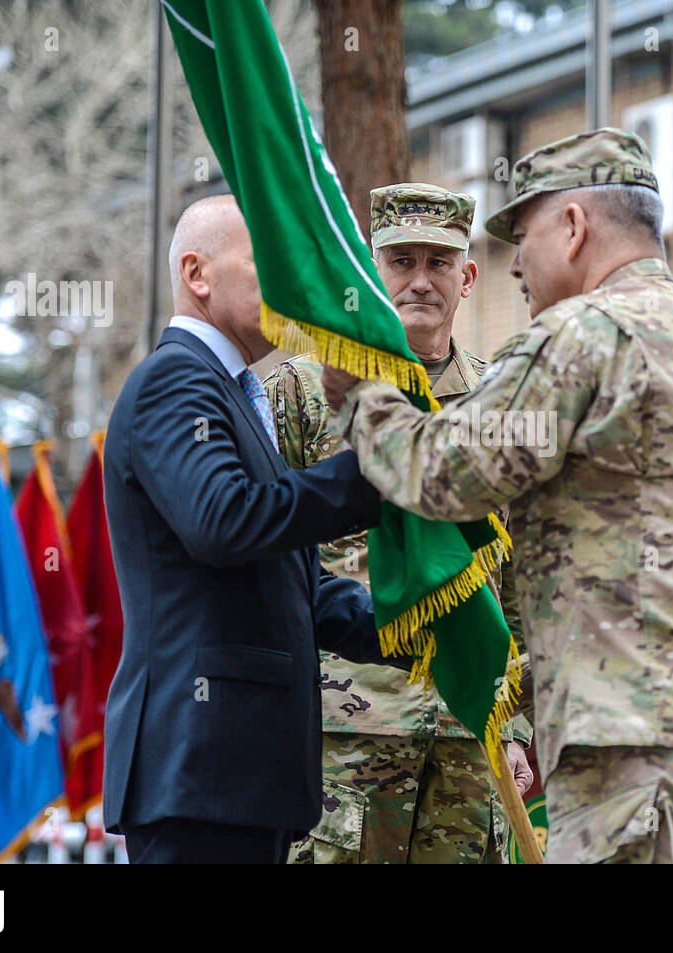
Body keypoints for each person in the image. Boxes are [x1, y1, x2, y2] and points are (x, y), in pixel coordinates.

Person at [321, 128, 673, 864]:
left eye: (522, 235)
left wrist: (362, 398)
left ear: (575, 226)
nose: (515, 263)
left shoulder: (584, 333)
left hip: (642, 733)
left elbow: (445, 474)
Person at [102, 195, 399, 863]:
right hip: (200, 771)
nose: (289, 282)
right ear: (197, 274)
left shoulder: (233, 392)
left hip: (238, 779)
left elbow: (298, 587)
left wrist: (410, 626)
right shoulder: (175, 380)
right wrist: (371, 474)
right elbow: (222, 520)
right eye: (265, 260)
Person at [262, 183, 533, 864]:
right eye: (401, 260)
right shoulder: (303, 391)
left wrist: (521, 719)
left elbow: (526, 573)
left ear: (467, 277)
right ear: (369, 268)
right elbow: (258, 548)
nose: (420, 280)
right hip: (341, 739)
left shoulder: (500, 401)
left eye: (439, 262)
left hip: (468, 738)